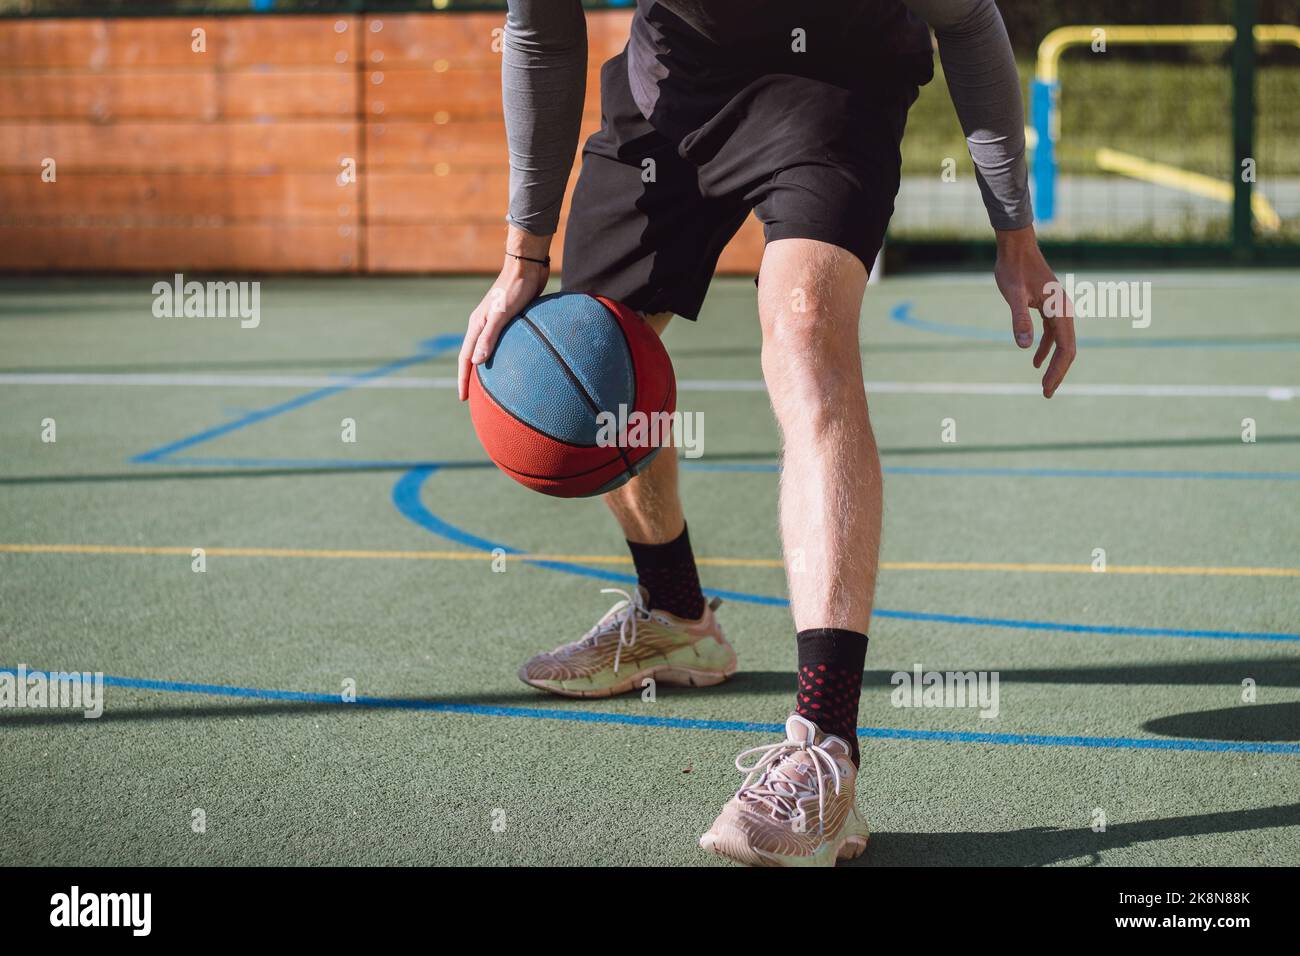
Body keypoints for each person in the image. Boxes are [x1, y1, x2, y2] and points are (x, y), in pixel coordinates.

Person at [457, 0, 1076, 866]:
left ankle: (825, 741)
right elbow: (540, 23)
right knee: (601, 342)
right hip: (671, 88)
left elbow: (969, 23)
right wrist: (525, 252)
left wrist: (1016, 233)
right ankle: (675, 613)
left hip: (834, 85)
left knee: (806, 333)